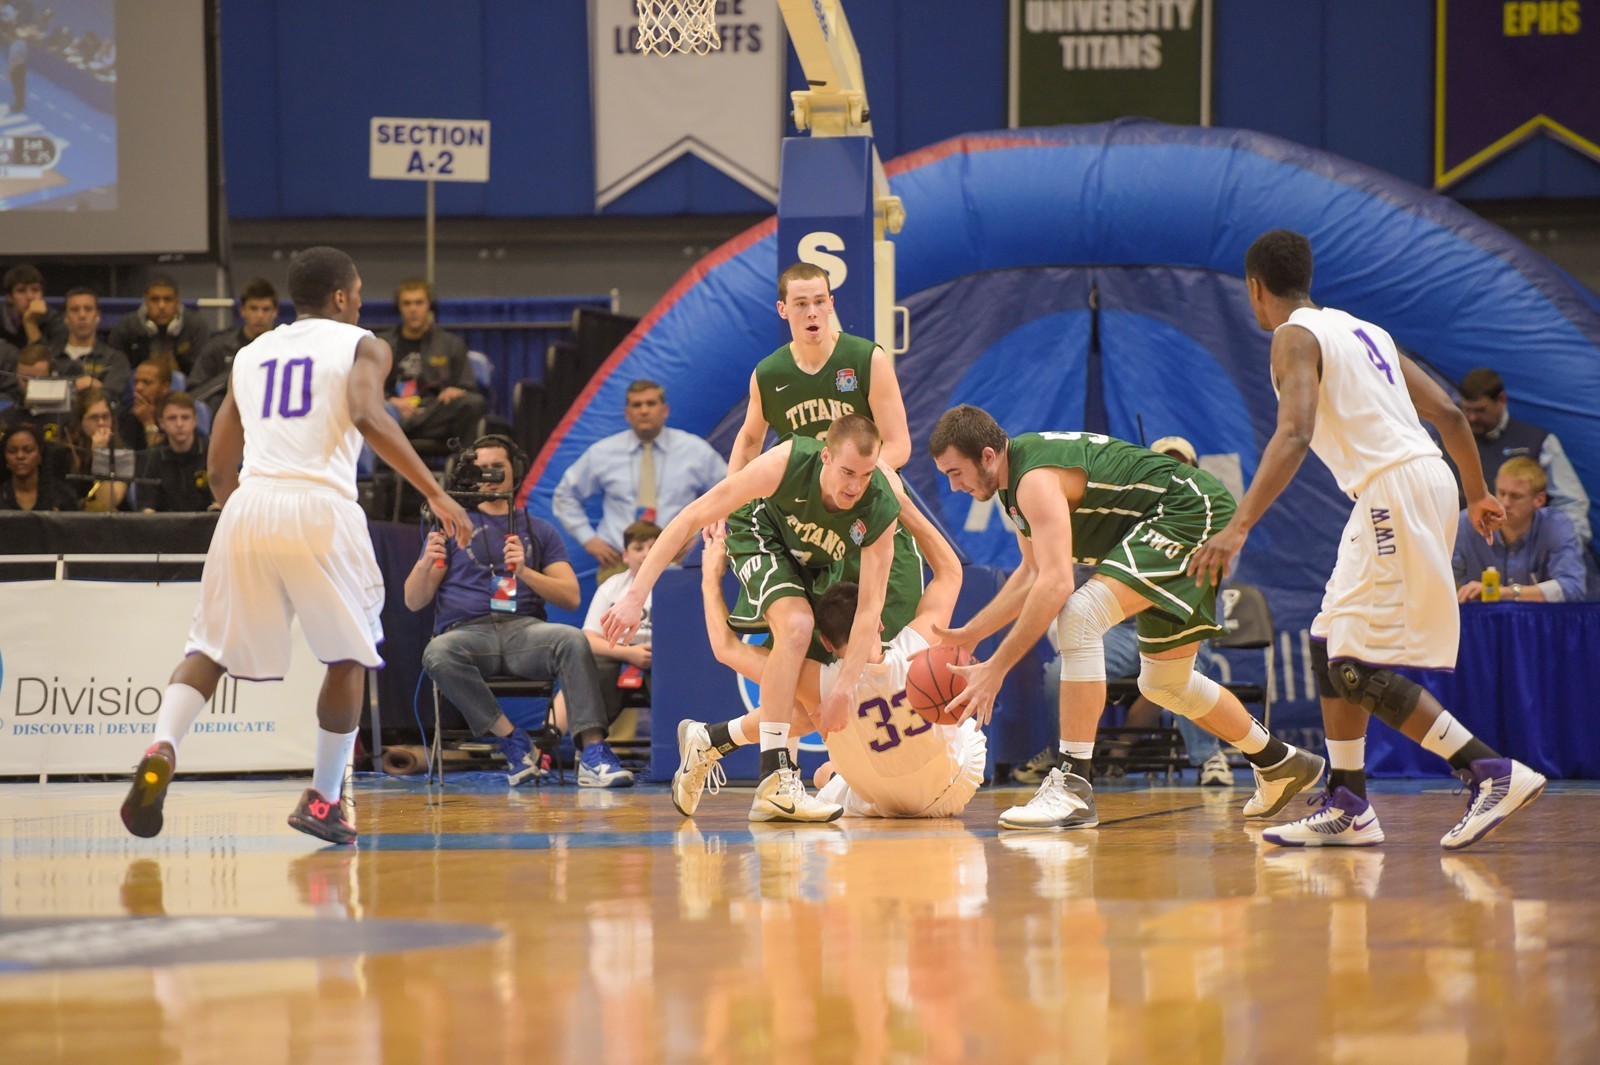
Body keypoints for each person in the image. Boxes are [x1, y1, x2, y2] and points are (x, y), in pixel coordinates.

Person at [1189, 228, 1546, 849]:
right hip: (1422, 480)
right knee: (1328, 644)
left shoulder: (1293, 337)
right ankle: (1350, 804)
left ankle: (1490, 771)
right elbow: (1451, 415)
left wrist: (1238, 525)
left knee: (1351, 666)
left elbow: (1295, 433)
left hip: (1392, 490)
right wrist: (1477, 491)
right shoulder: (1364, 330)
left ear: (1255, 288)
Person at [118, 245, 475, 846]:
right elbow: (367, 414)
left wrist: (241, 504)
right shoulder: (363, 344)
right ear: (341, 296)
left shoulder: (251, 353)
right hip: (321, 507)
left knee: (208, 647)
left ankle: (163, 743)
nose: (361, 301)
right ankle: (325, 800)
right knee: (348, 656)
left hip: (250, 503)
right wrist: (436, 492)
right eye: (357, 291)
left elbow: (217, 460)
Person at [928, 404, 1323, 831]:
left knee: (1079, 614)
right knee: (1165, 683)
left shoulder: (1033, 480)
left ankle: (1074, 786)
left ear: (987, 456)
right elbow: (1032, 574)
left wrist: (997, 668)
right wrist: (973, 632)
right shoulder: (1015, 485)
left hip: (1186, 512)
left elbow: (1057, 584)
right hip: (1176, 518)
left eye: (955, 472)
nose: (954, 486)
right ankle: (1278, 760)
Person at [602, 414, 901, 822]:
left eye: (865, 474)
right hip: (760, 533)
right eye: (848, 472)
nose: (854, 486)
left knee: (804, 714)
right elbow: (692, 516)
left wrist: (842, 692)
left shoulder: (881, 504)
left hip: (810, 565)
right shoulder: (787, 462)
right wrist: (636, 596)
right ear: (827, 457)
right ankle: (775, 777)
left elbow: (870, 608)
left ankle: (709, 740)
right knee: (796, 625)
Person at [674, 474, 986, 820]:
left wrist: (710, 576)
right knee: (822, 747)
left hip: (884, 802)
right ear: (878, 621)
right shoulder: (915, 649)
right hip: (957, 781)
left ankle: (716, 739)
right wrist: (903, 503)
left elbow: (726, 649)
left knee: (807, 729)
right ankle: (717, 740)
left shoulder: (819, 685)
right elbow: (950, 572)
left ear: (823, 641)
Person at [404, 435, 634, 789]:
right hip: (466, 633)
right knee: (437, 653)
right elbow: (414, 601)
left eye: (497, 467)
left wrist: (525, 572)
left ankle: (593, 754)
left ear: (517, 472)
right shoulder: (450, 525)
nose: (489, 475)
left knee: (572, 639)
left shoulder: (538, 529)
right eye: (480, 469)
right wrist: (424, 565)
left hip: (525, 633)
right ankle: (513, 740)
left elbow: (571, 596)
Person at [725, 261, 924, 644]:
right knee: (812, 641)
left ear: (831, 304)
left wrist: (854, 477)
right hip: (807, 515)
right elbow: (750, 441)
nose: (812, 312)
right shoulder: (768, 374)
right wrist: (727, 501)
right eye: (800, 304)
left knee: (888, 638)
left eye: (819, 301)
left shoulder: (867, 359)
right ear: (782, 309)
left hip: (865, 508)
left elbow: (899, 444)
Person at [552, 379, 726, 579]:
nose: (644, 410)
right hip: (619, 563)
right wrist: (588, 539)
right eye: (637, 405)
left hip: (677, 562)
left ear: (665, 410)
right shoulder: (603, 453)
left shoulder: (695, 451)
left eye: (651, 403)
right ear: (627, 413)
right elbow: (565, 495)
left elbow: (729, 493)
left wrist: (700, 539)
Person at [1456, 367, 1590, 545]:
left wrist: (1565, 550)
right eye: (1466, 410)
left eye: (1480, 410)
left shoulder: (1538, 442)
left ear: (1501, 400)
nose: (1471, 417)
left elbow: (1571, 503)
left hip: (1527, 556)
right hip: (1465, 552)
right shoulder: (1446, 441)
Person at [554, 520, 661, 735]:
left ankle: (689, 746)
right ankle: (573, 743)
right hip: (618, 654)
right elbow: (589, 638)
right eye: (638, 548)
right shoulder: (612, 587)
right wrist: (628, 653)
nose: (646, 554)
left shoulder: (680, 585)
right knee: (583, 666)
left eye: (654, 547)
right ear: (625, 555)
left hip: (664, 659)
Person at [1454, 456, 1586, 603]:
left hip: (1539, 622)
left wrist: (1505, 593)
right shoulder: (1469, 523)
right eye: (1501, 493)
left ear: (1539, 500)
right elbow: (1444, 579)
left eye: (1516, 496)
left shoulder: (1556, 526)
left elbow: (1573, 588)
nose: (1505, 503)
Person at [378, 277, 486, 447]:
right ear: (399, 307)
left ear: (429, 306)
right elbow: (366, 389)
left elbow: (468, 387)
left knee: (473, 403)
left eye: (419, 303)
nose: (413, 309)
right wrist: (391, 402)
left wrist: (455, 391)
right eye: (407, 303)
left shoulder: (451, 344)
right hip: (394, 415)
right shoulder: (381, 345)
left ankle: (465, 467)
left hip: (435, 416)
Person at [189, 278, 280, 411]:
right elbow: (195, 391)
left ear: (275, 312)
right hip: (227, 415)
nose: (260, 315)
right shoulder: (218, 347)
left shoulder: (287, 347)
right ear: (242, 310)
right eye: (253, 308)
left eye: (266, 309)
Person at [107, 275, 211, 376]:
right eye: (155, 299)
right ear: (146, 301)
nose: (161, 306)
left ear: (177, 301)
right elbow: (114, 370)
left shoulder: (195, 326)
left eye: (168, 299)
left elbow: (201, 373)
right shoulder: (127, 326)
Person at [135, 393, 213, 513]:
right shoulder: (150, 457)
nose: (179, 424)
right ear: (161, 423)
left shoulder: (212, 453)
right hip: (163, 527)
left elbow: (222, 501)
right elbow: (146, 507)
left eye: (185, 417)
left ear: (195, 421)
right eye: (172, 418)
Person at [51, 288, 129, 397]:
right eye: (75, 309)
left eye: (88, 309)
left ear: (98, 316)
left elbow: (111, 396)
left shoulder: (115, 359)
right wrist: (79, 385)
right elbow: (37, 392)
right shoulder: (49, 357)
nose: (82, 315)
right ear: (65, 317)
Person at [67, 385, 133, 511]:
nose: (101, 423)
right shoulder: (66, 451)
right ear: (80, 421)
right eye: (94, 417)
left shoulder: (123, 452)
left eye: (105, 416)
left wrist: (100, 455)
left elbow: (108, 501)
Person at [0, 422, 77, 511]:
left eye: (28, 450)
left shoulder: (63, 496)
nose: (20, 456)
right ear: (5, 457)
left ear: (40, 455)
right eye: (12, 451)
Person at [0, 263, 64, 351]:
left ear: (42, 295)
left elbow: (49, 362)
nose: (30, 297)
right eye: (21, 291)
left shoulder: (55, 321)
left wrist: (31, 324)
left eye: (35, 290)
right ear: (10, 297)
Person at [118, 358, 173, 453]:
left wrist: (148, 422)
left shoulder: (175, 415)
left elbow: (160, 460)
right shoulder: (126, 412)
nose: (138, 388)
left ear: (164, 387)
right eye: (136, 382)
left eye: (146, 382)